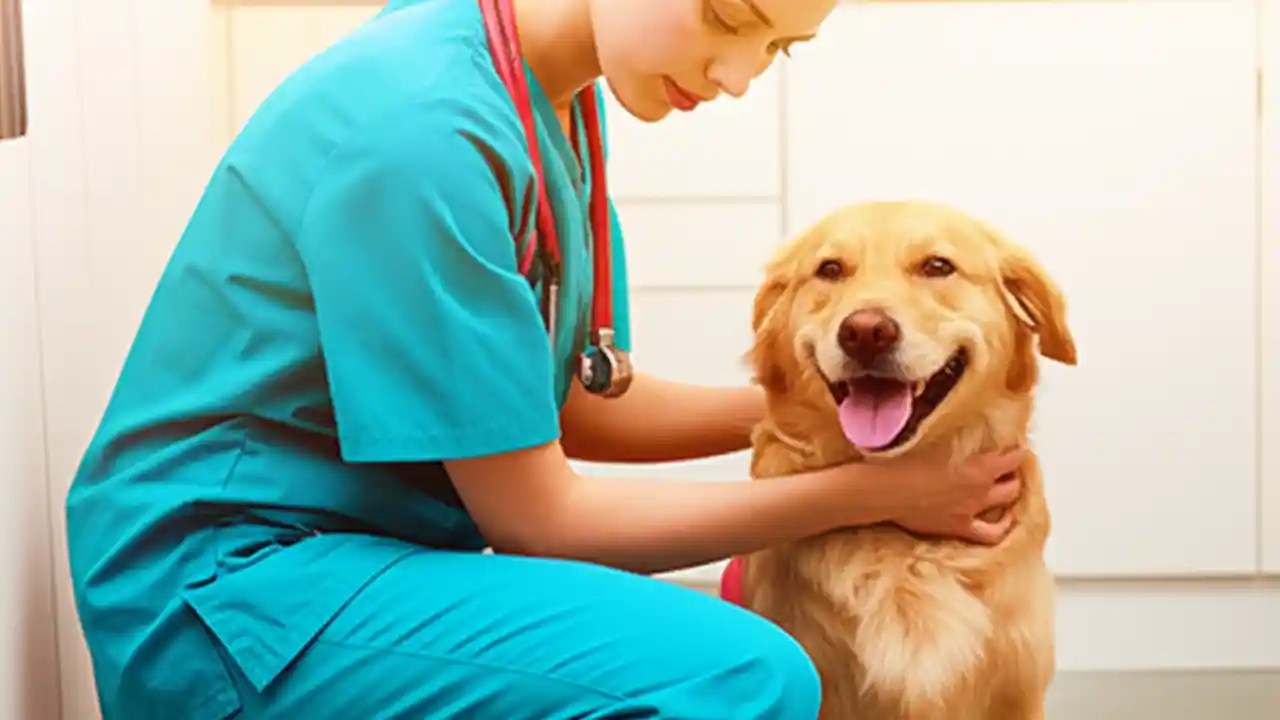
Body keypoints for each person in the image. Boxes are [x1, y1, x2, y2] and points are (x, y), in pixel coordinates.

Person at [64, 0, 1026, 717]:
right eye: (730, 17)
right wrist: (870, 492)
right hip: (234, 597)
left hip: (356, 560)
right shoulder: (422, 131)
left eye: (777, 49)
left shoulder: (547, 94)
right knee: (749, 671)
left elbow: (575, 402)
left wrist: (848, 410)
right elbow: (542, 519)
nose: (736, 74)